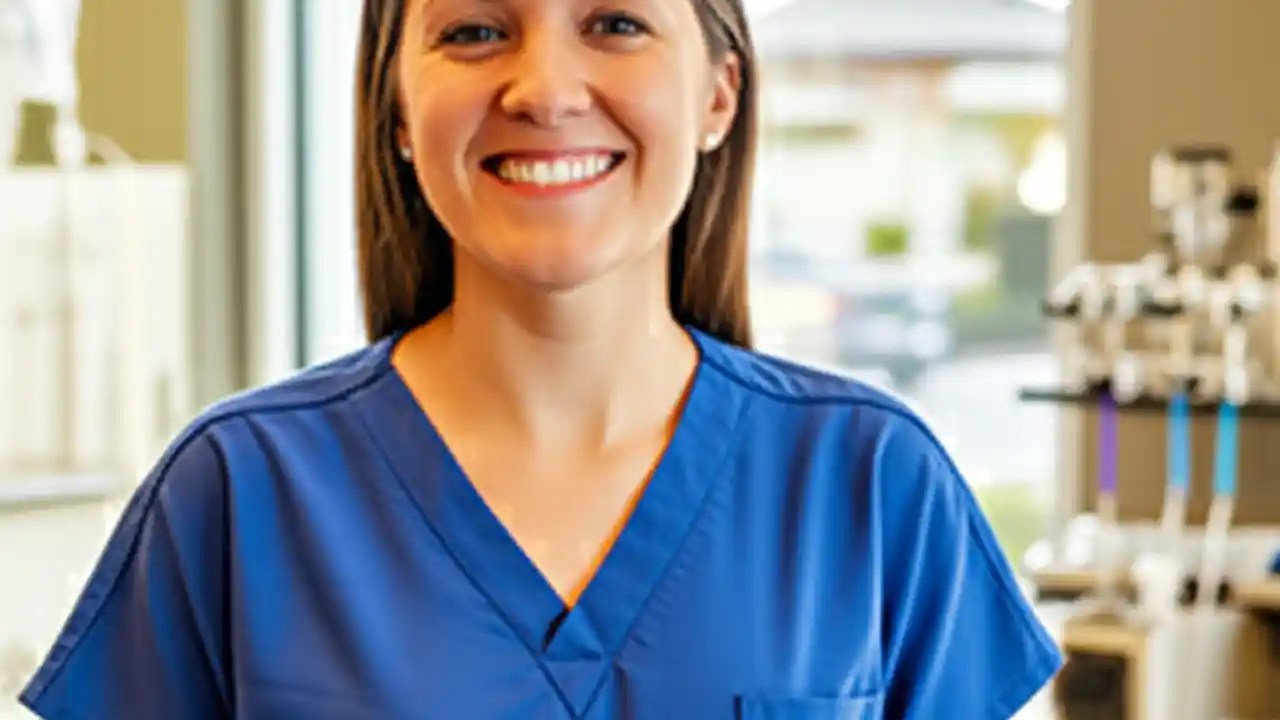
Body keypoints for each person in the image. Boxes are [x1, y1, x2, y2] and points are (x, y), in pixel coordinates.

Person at [18, 0, 1062, 717]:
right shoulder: (242, 494)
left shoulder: (869, 485)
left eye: (614, 24)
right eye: (474, 31)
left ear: (717, 95)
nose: (546, 89)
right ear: (395, 108)